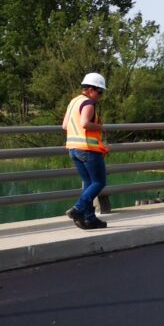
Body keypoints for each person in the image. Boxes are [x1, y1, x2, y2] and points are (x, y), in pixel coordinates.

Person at [63, 72, 108, 230]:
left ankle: (89, 218)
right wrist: (101, 127)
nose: (100, 96)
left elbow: (64, 125)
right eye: (99, 92)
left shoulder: (73, 102)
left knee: (89, 183)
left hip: (73, 149)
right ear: (90, 89)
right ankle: (78, 209)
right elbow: (84, 123)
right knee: (99, 182)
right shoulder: (88, 103)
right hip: (88, 150)